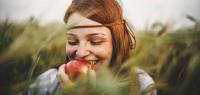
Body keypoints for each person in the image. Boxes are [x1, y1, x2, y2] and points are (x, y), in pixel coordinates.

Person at [20, 0, 156, 95]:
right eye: (72, 41)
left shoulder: (139, 85)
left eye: (95, 41)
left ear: (117, 43)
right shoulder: (47, 83)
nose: (81, 52)